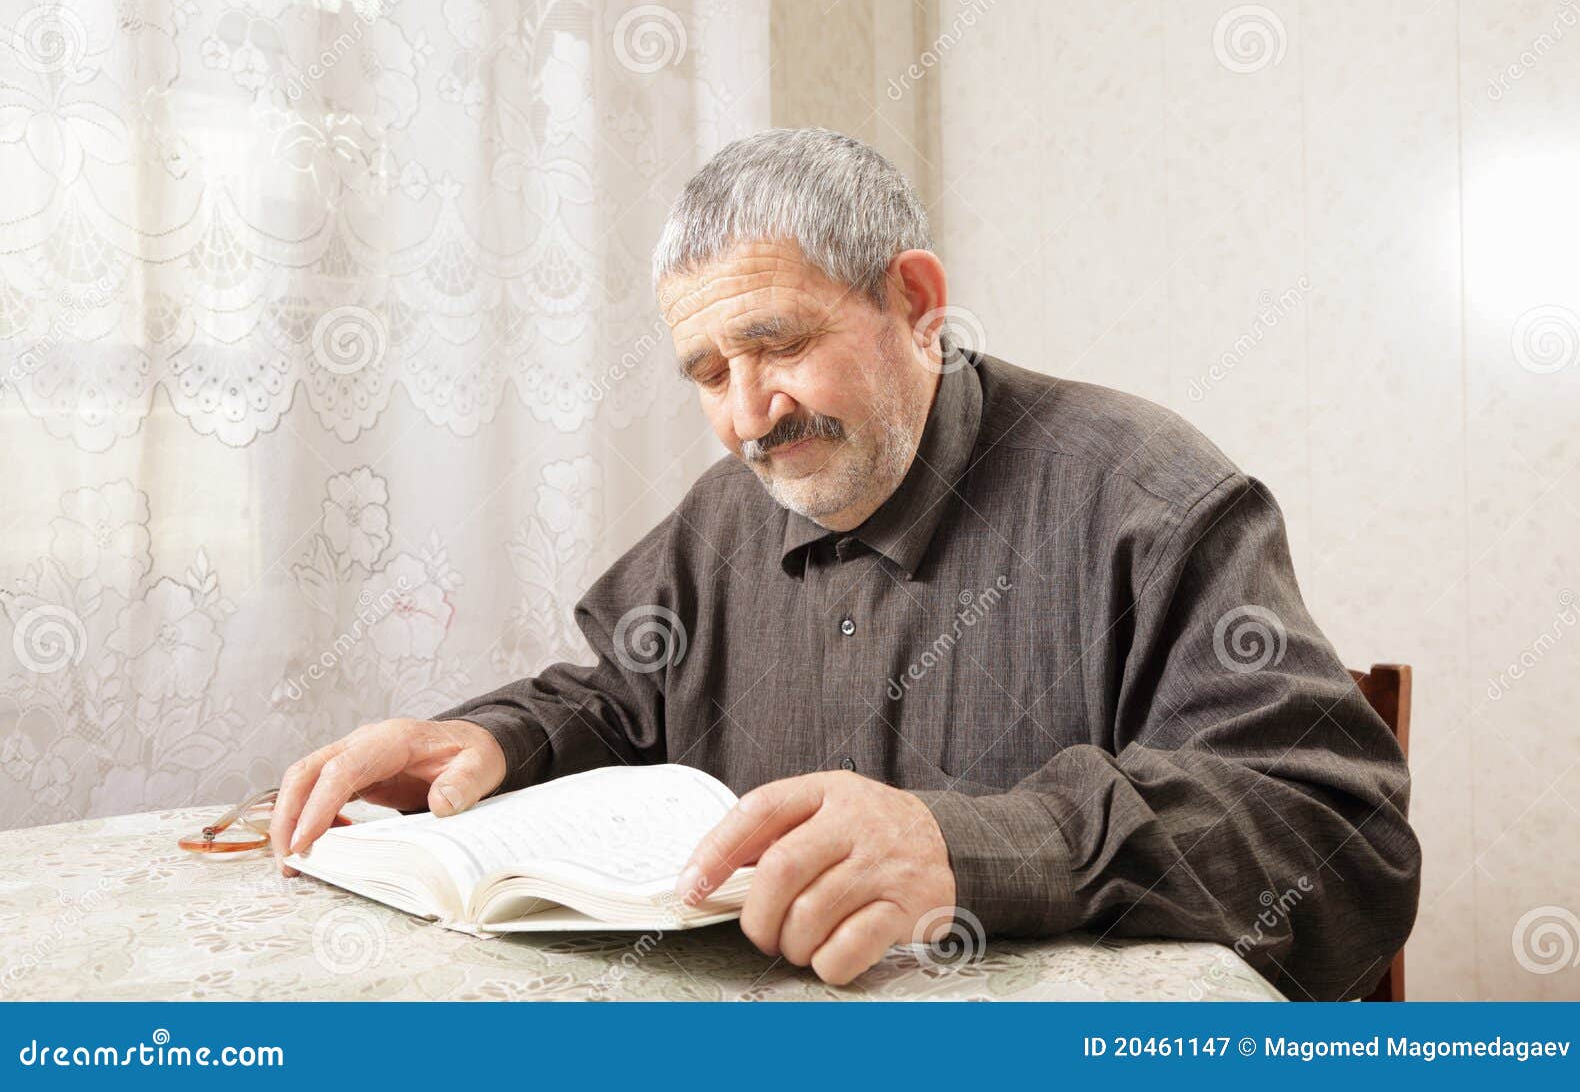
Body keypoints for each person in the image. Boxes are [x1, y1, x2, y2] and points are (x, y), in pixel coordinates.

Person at [271, 127, 1420, 998]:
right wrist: (489, 737)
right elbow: (620, 700)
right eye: (708, 374)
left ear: (915, 302)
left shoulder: (1147, 495)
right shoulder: (727, 511)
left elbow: (1337, 834)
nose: (747, 416)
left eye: (776, 344)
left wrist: (979, 846)